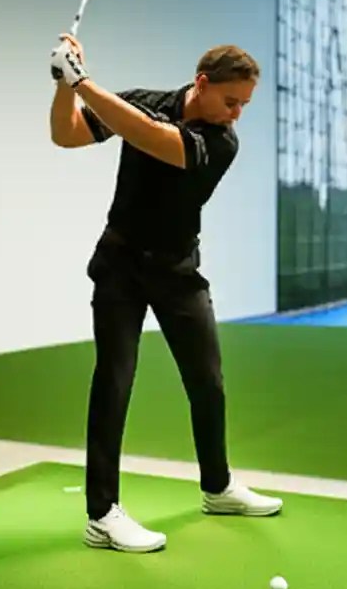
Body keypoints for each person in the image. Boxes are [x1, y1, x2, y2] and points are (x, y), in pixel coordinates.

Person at [48, 34, 283, 553]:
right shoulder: (143, 101)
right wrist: (65, 85)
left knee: (208, 381)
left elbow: (153, 138)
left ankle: (218, 487)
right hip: (120, 266)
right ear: (202, 83)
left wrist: (83, 81)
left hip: (177, 270)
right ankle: (101, 514)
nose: (237, 114)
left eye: (244, 105)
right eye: (231, 101)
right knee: (114, 381)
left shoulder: (221, 142)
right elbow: (65, 135)